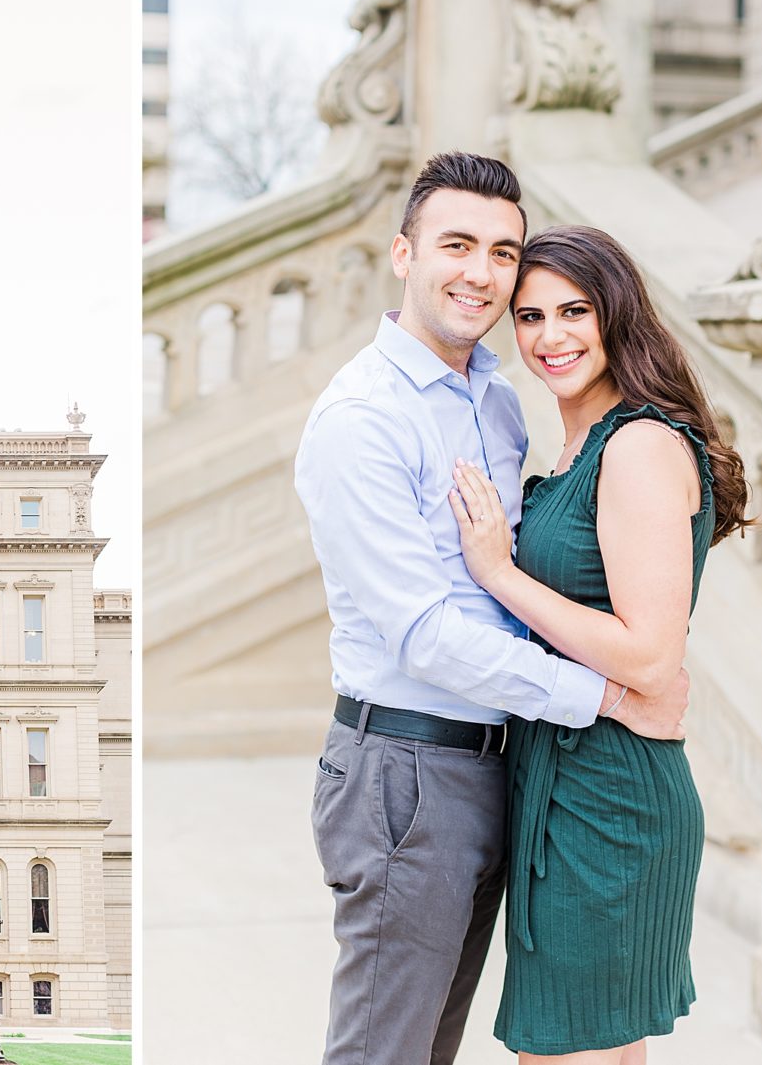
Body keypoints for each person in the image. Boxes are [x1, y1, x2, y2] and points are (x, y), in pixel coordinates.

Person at [293, 152, 691, 1065]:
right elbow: (426, 635)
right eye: (457, 244)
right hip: (405, 770)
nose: (481, 272)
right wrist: (606, 693)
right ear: (404, 253)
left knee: (432, 1047)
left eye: (503, 253)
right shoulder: (362, 417)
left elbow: (529, 581)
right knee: (383, 1051)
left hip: (500, 762)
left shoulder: (500, 401)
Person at [447, 225, 752, 1063]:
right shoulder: (581, 445)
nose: (551, 336)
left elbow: (650, 655)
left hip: (608, 802)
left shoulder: (638, 445)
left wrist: (498, 572)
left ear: (616, 313)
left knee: (565, 1049)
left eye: (574, 311)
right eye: (531, 316)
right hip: (567, 785)